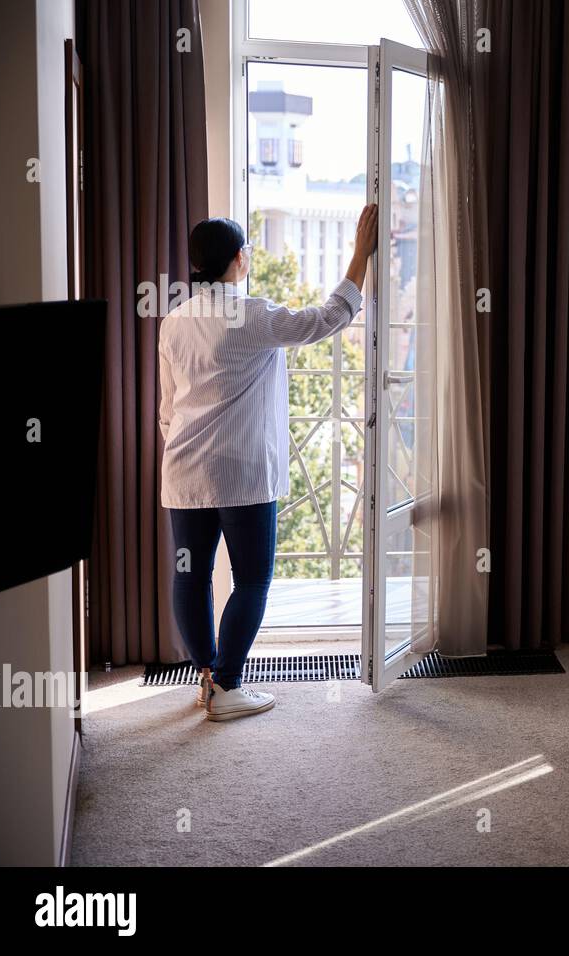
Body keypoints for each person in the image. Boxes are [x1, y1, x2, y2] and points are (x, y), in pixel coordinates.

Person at [158, 204, 379, 721]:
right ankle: (229, 686)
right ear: (240, 259)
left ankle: (209, 679)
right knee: (252, 578)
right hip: (243, 472)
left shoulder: (172, 322)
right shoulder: (253, 314)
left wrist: (181, 448)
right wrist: (359, 256)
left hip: (185, 470)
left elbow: (167, 408)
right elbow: (328, 318)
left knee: (190, 576)